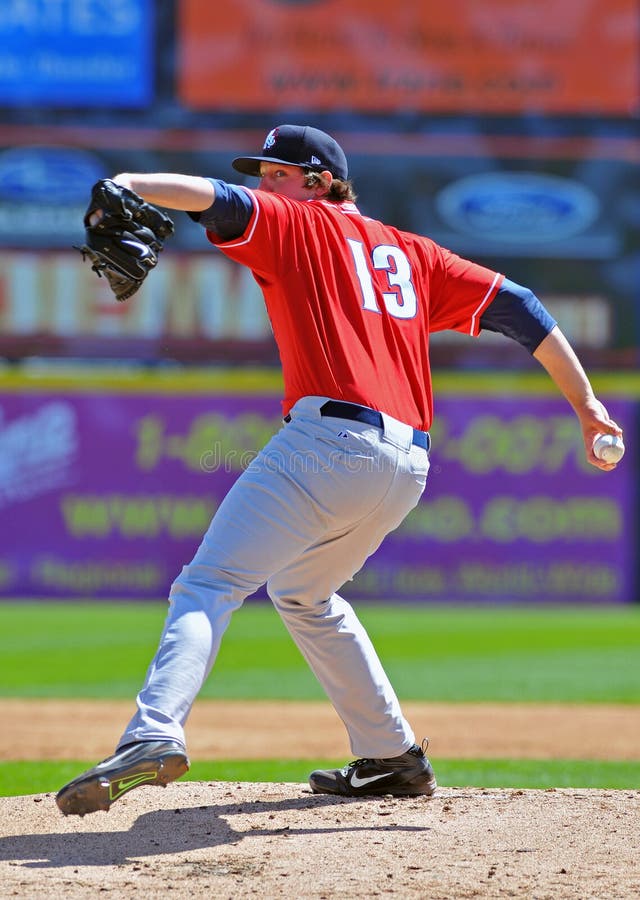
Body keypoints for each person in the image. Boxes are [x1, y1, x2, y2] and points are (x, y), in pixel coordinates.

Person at [56, 124, 624, 816]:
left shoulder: (298, 222)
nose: (266, 184)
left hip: (329, 442)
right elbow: (523, 308)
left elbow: (210, 198)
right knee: (304, 592)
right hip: (405, 465)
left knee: (209, 582)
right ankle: (394, 757)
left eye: (277, 172)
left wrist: (129, 186)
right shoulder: (414, 254)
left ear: (319, 181)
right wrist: (589, 407)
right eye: (262, 174)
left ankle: (152, 733)